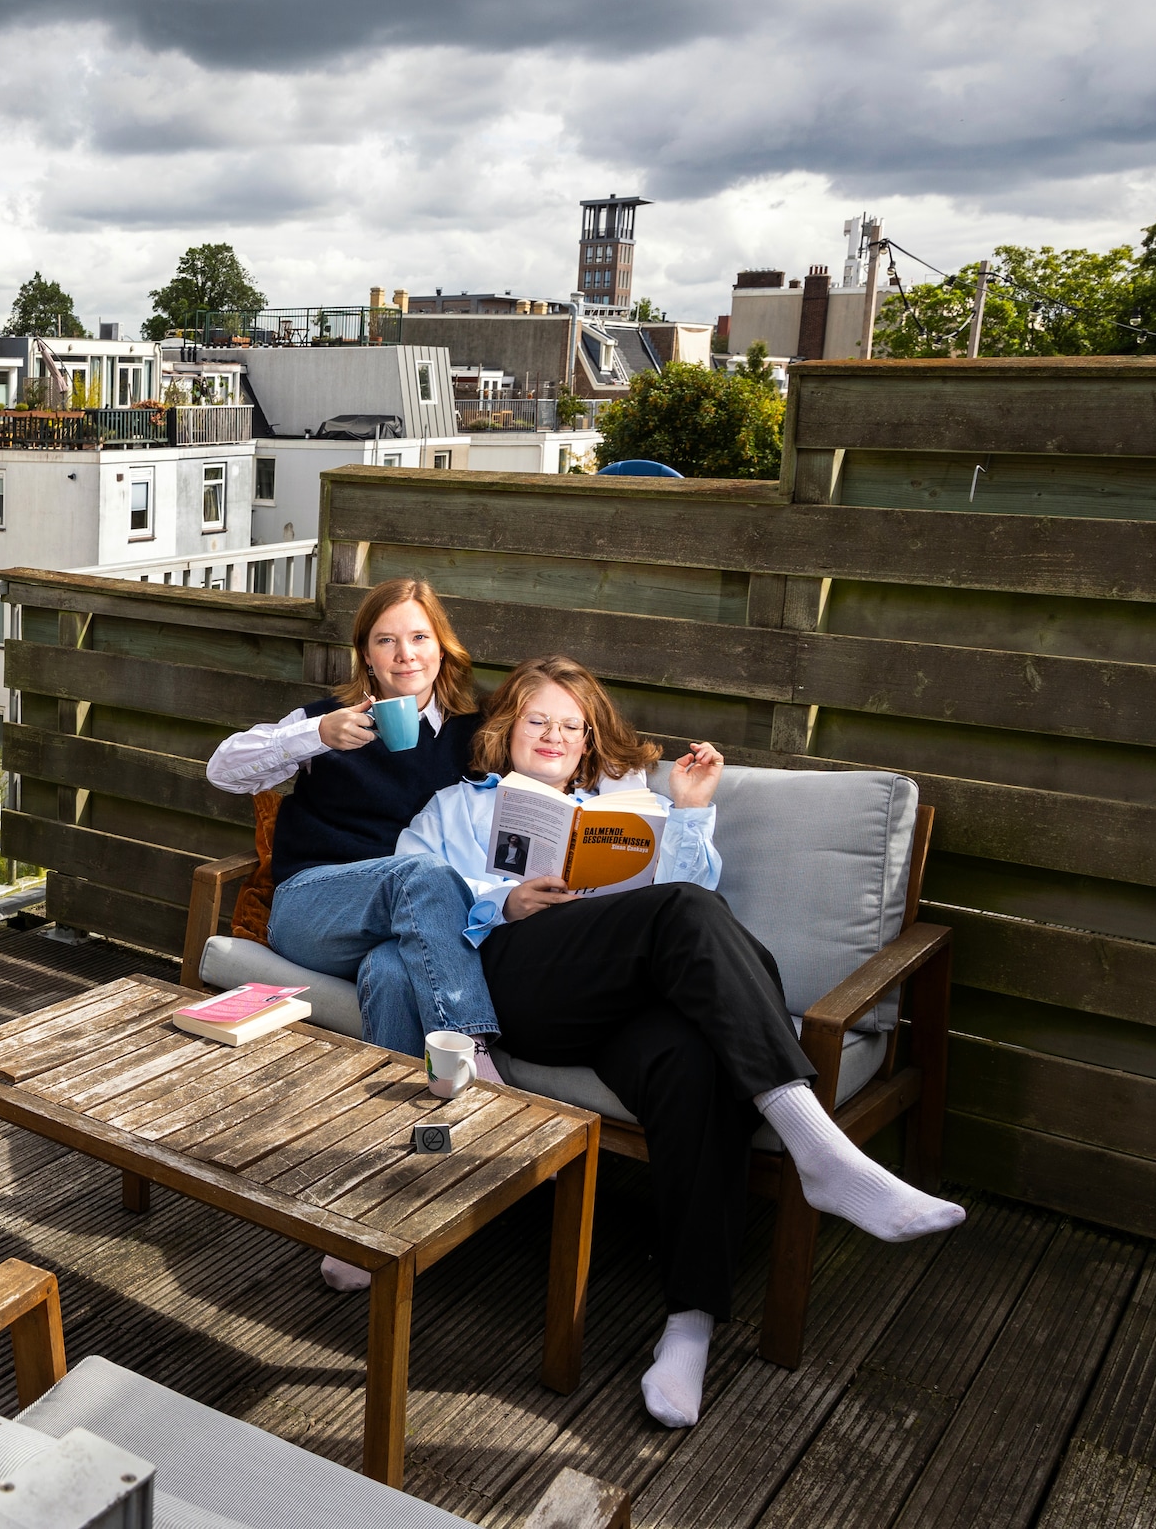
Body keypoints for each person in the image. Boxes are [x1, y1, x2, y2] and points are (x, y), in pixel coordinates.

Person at [399, 655, 963, 1430]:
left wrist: (691, 811)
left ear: (591, 737)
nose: (554, 736)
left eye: (572, 724)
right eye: (538, 721)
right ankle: (818, 1145)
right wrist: (502, 902)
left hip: (623, 996)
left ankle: (689, 1323)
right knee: (684, 917)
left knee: (693, 1058)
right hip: (519, 984)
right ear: (507, 729)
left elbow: (697, 907)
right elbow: (412, 898)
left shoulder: (627, 804)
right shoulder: (454, 808)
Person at [206, 578, 500, 1291]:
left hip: (402, 934)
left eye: (420, 637)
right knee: (420, 877)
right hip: (313, 907)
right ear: (366, 656)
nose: (406, 653)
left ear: (442, 648)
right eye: (387, 640)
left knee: (396, 978)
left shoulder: (473, 730)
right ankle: (482, 1069)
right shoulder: (326, 722)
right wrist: (317, 735)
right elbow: (223, 768)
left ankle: (379, 1205)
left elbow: (550, 767)